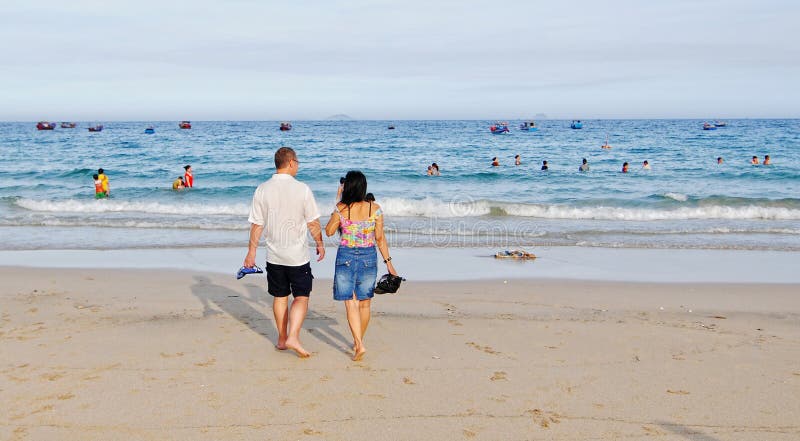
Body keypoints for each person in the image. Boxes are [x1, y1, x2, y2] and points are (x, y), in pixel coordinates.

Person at [243, 147, 325, 358]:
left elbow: (257, 225)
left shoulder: (262, 189)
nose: (298, 165)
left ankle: (281, 339)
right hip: (297, 256)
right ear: (290, 162)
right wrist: (320, 243)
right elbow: (313, 222)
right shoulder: (302, 189)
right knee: (301, 297)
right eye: (297, 162)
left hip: (274, 256)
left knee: (280, 297)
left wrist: (251, 253)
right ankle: (293, 337)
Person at [325, 171, 397, 362]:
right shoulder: (375, 208)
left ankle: (359, 343)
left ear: (347, 187)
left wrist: (338, 203)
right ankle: (358, 343)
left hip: (346, 256)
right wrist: (389, 264)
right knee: (365, 304)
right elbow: (380, 239)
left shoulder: (342, 208)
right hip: (369, 257)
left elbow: (329, 232)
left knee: (351, 302)